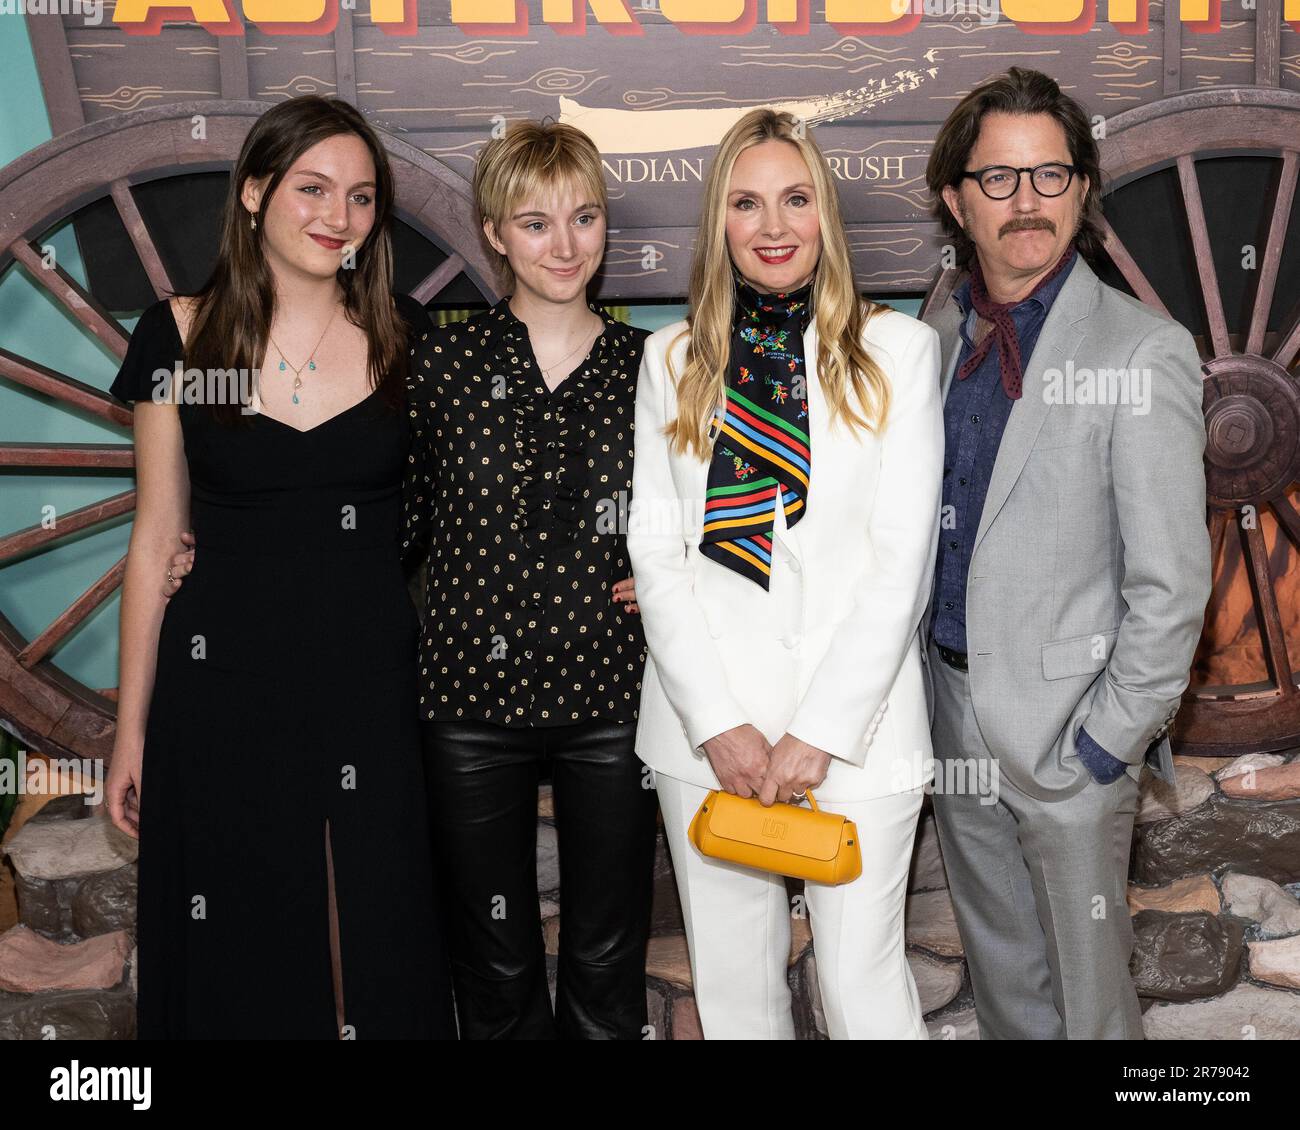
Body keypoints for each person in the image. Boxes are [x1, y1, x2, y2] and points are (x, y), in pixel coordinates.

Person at [106, 95, 456, 1039]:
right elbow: (155, 537)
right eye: (311, 188)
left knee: (372, 931)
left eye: (359, 197)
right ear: (256, 191)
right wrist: (130, 733)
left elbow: (468, 512)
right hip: (221, 684)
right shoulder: (177, 336)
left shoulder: (405, 341)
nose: (335, 216)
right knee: (236, 931)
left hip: (370, 683)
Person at [627, 107, 945, 1039]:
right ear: (719, 223)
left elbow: (902, 563)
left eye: (795, 200)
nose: (773, 227)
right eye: (747, 203)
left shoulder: (898, 354)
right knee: (734, 1001)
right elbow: (656, 550)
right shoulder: (672, 360)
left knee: (862, 993)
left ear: (824, 216)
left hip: (859, 734)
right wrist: (718, 724)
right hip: (704, 734)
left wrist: (819, 733)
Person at [920, 66, 1213, 1039]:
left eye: (1049, 175)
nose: (1025, 202)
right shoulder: (936, 328)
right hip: (954, 716)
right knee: (1007, 989)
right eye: (997, 179)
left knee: (1090, 1009)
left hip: (1071, 735)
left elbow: (1170, 583)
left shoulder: (1141, 352)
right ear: (957, 199)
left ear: (1082, 189)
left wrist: (1104, 744)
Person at [402, 120, 657, 1039]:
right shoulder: (439, 364)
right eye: (536, 222)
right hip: (469, 702)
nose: (565, 244)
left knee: (606, 947)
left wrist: (678, 582)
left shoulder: (655, 367)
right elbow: (394, 527)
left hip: (617, 697)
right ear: (494, 233)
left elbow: (714, 521)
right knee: (495, 954)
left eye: (584, 218)